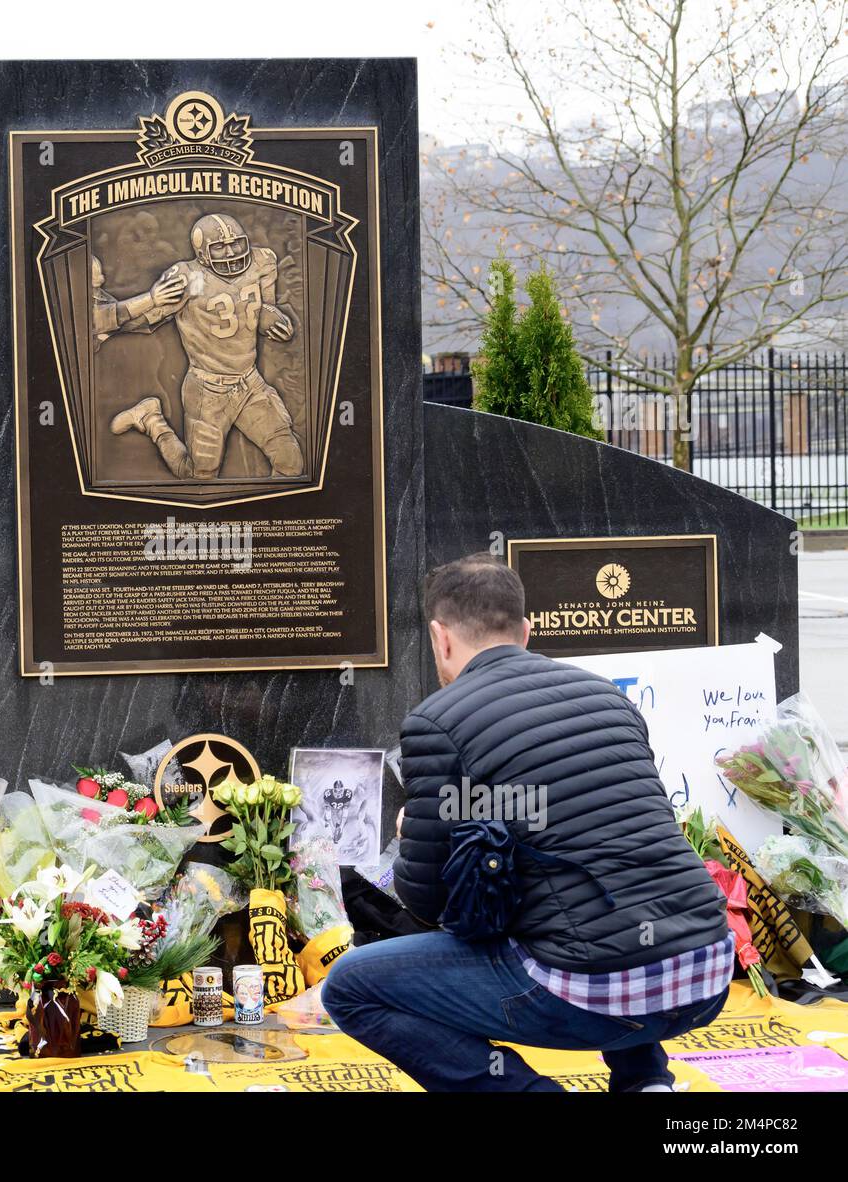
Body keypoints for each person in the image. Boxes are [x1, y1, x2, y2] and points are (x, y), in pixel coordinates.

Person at [322, 553, 732, 1092]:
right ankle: (647, 1083)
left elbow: (426, 902)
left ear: (439, 637)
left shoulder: (436, 722)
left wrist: (413, 837)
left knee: (349, 986)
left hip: (595, 993)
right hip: (708, 969)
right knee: (596, 899)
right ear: (527, 630)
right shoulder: (608, 697)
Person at [107, 212, 303, 481]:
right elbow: (144, 319)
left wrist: (270, 316)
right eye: (220, 246)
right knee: (198, 475)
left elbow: (264, 307)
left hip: (250, 383)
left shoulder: (262, 261)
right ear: (201, 252)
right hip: (208, 391)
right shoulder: (188, 278)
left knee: (290, 462)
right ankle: (152, 421)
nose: (231, 252)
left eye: (236, 243)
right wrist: (116, 317)